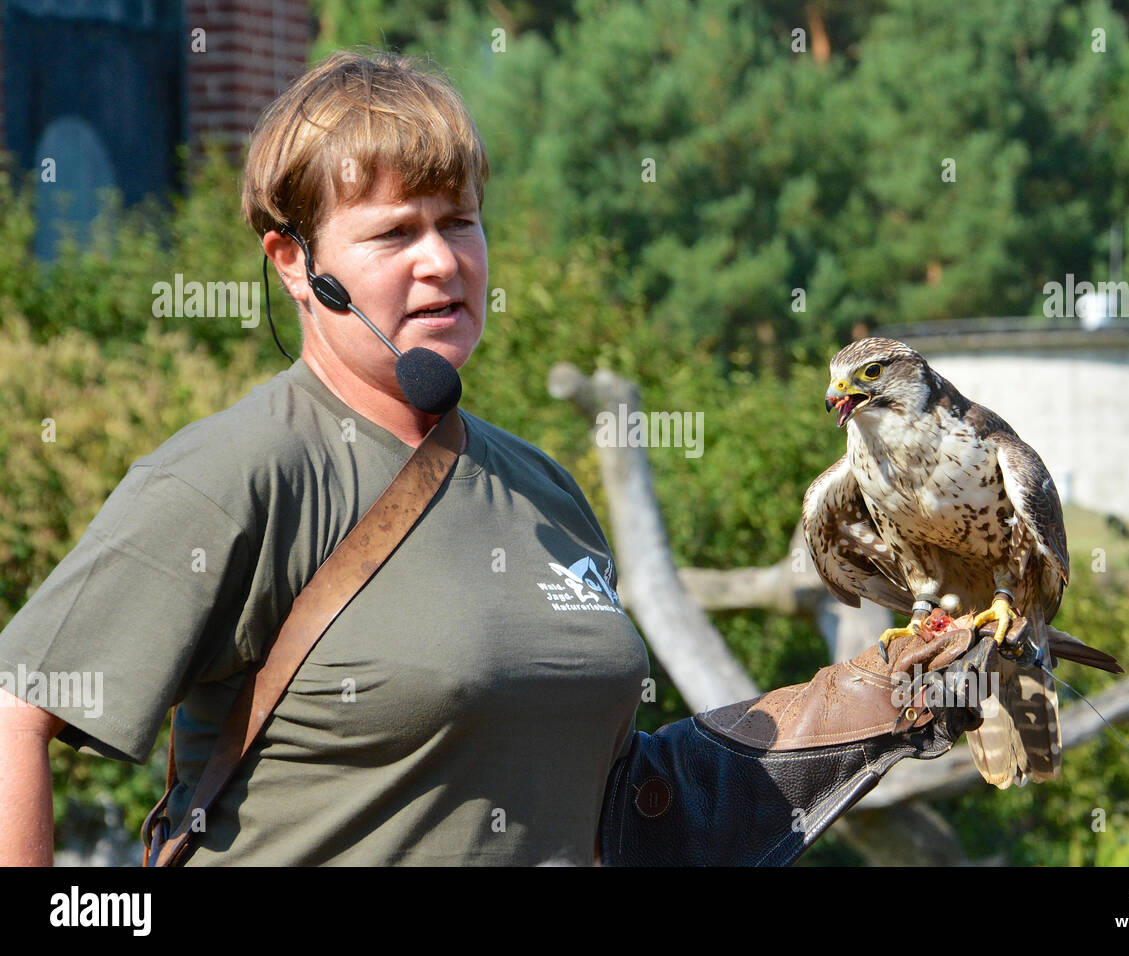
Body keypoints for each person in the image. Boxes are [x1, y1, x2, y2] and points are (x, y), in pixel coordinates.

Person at [0, 50, 984, 867]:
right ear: (295, 262)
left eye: (458, 222)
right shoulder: (239, 473)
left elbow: (610, 796)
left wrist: (879, 696)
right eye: (393, 233)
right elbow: (18, 715)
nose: (442, 261)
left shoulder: (541, 489)